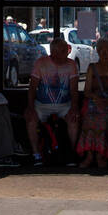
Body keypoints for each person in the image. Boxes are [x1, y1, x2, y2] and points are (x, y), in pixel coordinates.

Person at [25, 34, 80, 166]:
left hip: (64, 104)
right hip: (42, 104)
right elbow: (32, 87)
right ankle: (36, 154)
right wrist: (30, 108)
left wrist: (74, 108)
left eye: (66, 50)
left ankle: (70, 153)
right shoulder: (41, 63)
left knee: (74, 120)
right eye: (61, 51)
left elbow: (74, 89)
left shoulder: (71, 64)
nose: (65, 53)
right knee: (31, 120)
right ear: (53, 52)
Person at [76, 37, 108, 171]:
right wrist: (96, 98)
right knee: (89, 120)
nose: (105, 55)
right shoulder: (92, 68)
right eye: (101, 51)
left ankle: (100, 155)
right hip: (94, 102)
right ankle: (89, 155)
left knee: (103, 121)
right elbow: (86, 91)